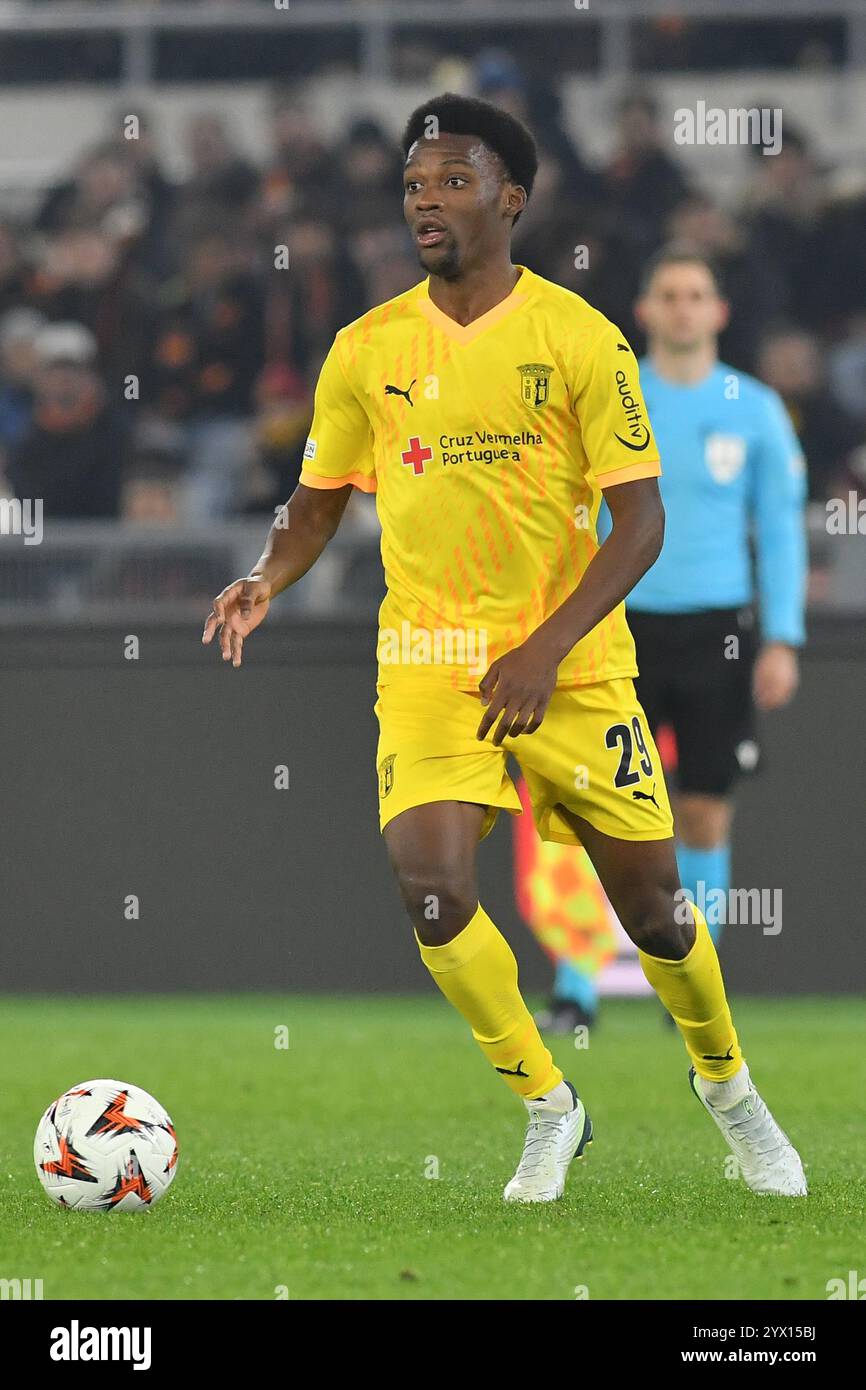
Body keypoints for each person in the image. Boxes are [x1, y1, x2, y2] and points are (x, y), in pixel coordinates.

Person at [203, 94, 806, 1202]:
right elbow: (315, 498)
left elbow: (640, 523)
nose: (423, 202)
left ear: (510, 198)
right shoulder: (365, 347)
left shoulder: (577, 337)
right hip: (428, 660)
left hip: (569, 663)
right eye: (412, 185)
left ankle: (727, 1087)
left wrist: (541, 648)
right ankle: (547, 1104)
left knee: (655, 910)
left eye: (450, 182)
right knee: (428, 885)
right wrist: (263, 574)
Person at [536, 249, 808, 1029]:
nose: (684, 308)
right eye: (669, 295)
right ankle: (576, 988)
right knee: (593, 808)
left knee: (704, 810)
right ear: (645, 311)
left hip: (719, 628)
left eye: (697, 295)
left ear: (719, 312)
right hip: (616, 624)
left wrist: (782, 637)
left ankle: (692, 982)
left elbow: (779, 531)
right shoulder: (612, 399)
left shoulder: (754, 409)